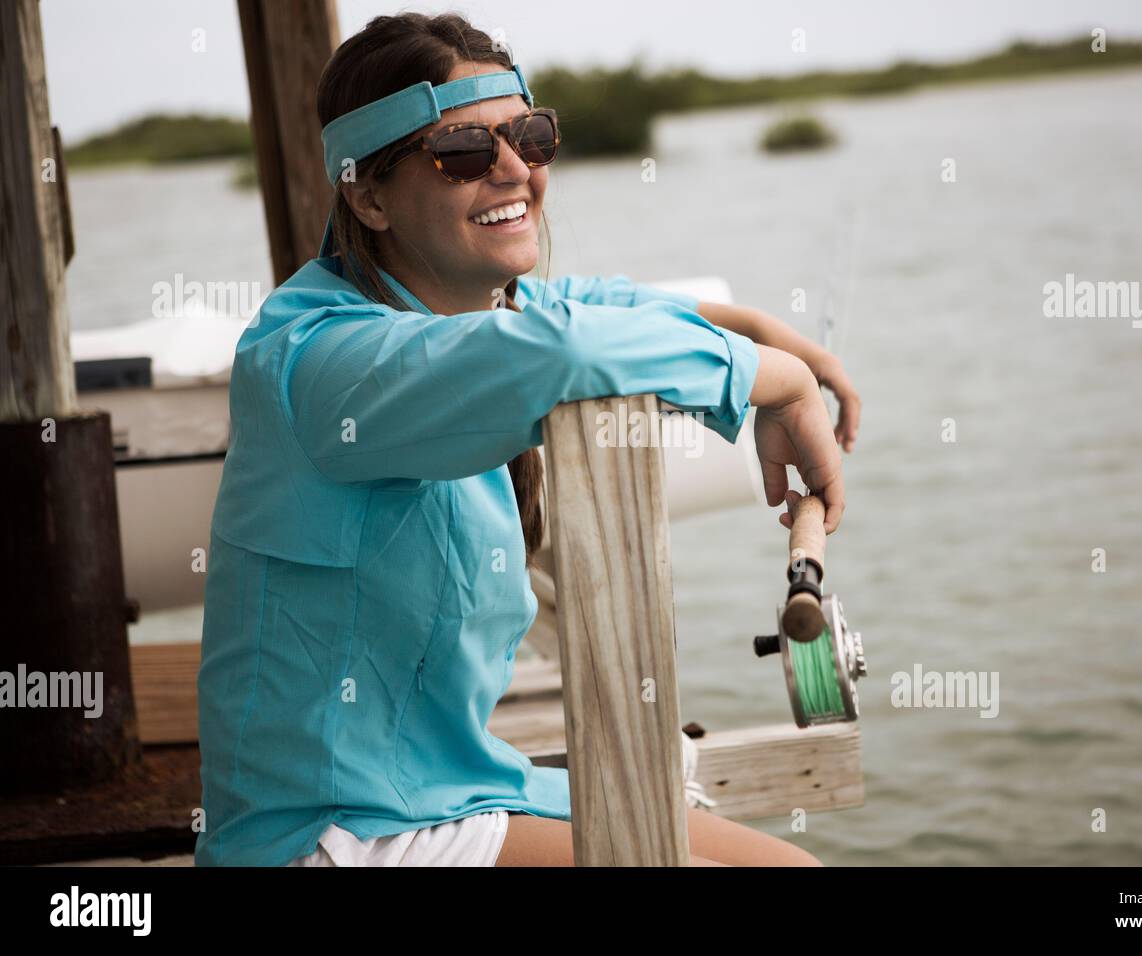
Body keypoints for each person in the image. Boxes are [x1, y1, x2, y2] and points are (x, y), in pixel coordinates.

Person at [195, 11, 859, 868]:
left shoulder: (455, 304)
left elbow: (595, 311)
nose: (514, 170)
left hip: (449, 782)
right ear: (367, 194)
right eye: (464, 152)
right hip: (334, 832)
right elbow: (566, 347)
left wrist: (769, 333)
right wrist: (779, 383)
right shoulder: (325, 359)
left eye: (531, 138)